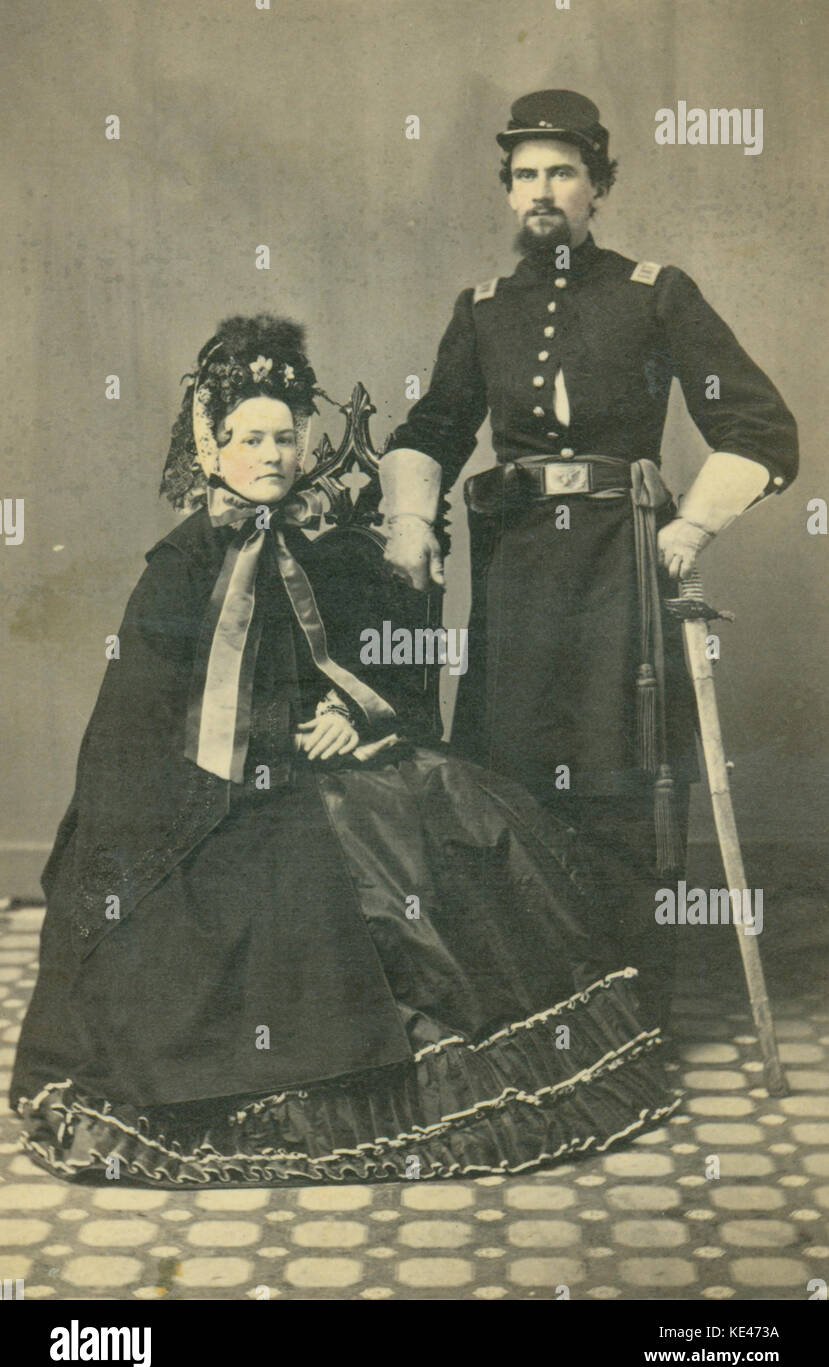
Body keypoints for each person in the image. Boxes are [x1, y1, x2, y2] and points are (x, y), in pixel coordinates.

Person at [10, 313, 678, 1188]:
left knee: (444, 805)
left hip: (335, 765)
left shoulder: (329, 551)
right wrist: (275, 744)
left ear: (307, 444)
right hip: (206, 794)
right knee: (291, 874)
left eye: (285, 436)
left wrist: (352, 717)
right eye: (248, 438)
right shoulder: (176, 568)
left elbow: (384, 670)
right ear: (209, 450)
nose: (271, 454)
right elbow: (144, 719)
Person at [379, 90, 799, 1028]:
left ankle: (625, 1007)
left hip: (620, 565)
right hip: (517, 571)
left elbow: (760, 428)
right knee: (507, 764)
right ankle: (530, 1003)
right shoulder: (481, 309)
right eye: (524, 175)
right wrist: (411, 521)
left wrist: (688, 528)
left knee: (623, 766)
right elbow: (431, 430)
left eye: (561, 171)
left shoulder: (656, 293)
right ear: (507, 193)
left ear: (597, 185)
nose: (541, 191)